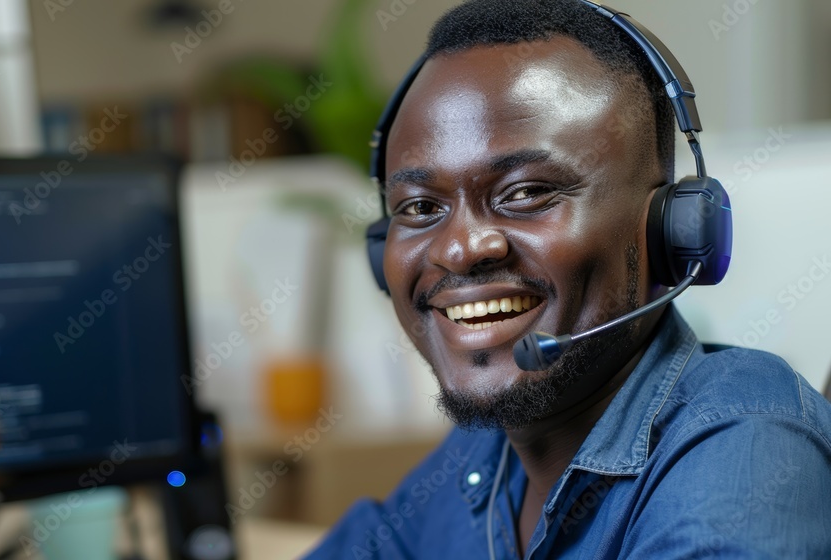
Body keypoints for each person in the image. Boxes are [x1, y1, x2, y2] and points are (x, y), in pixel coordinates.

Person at [304, 1, 831, 558]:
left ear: (670, 230)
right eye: (418, 207)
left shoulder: (746, 445)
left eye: (527, 193)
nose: (458, 249)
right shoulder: (481, 453)